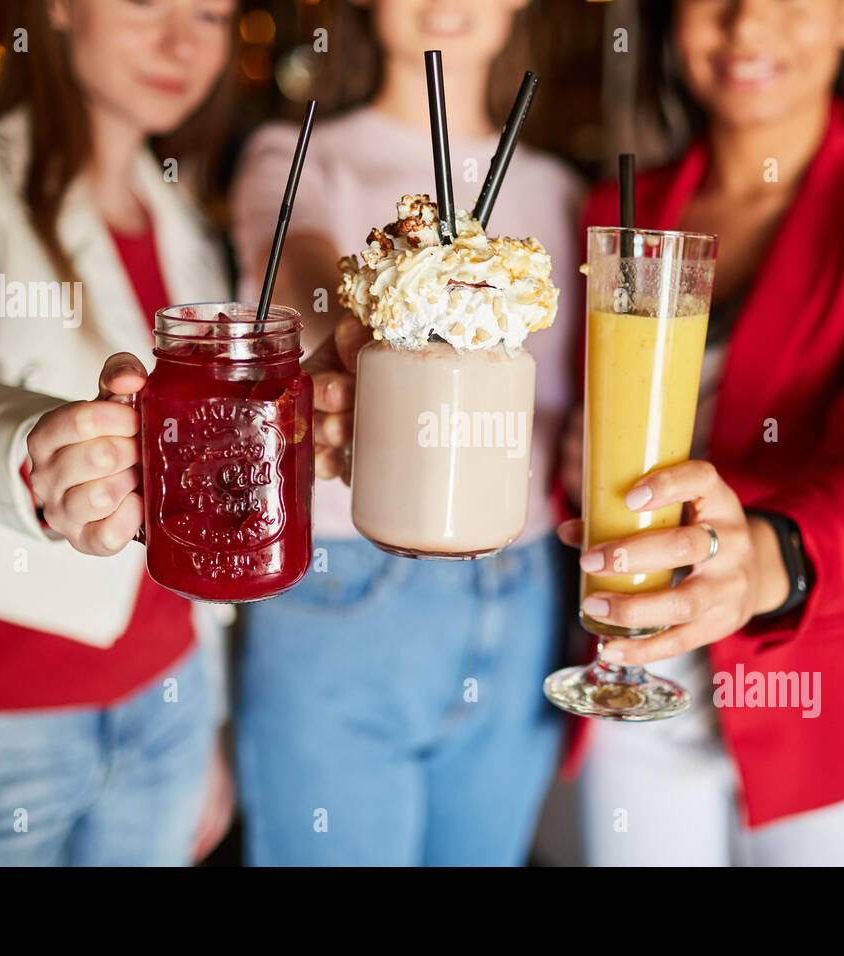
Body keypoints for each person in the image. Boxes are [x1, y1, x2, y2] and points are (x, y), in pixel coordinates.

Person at [552, 0, 844, 865]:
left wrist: (767, 559)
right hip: (640, 674)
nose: (746, 26)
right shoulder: (617, 210)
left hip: (842, 692)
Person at [0, 0, 239, 865]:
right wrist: (31, 452)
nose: (182, 40)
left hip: (167, 694)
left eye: (213, 14)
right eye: (149, 3)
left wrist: (207, 717)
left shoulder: (179, 213)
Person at [228, 0, 584, 865]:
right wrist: (339, 348)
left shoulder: (563, 189)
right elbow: (303, 275)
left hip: (525, 588)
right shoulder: (297, 152)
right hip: (347, 585)